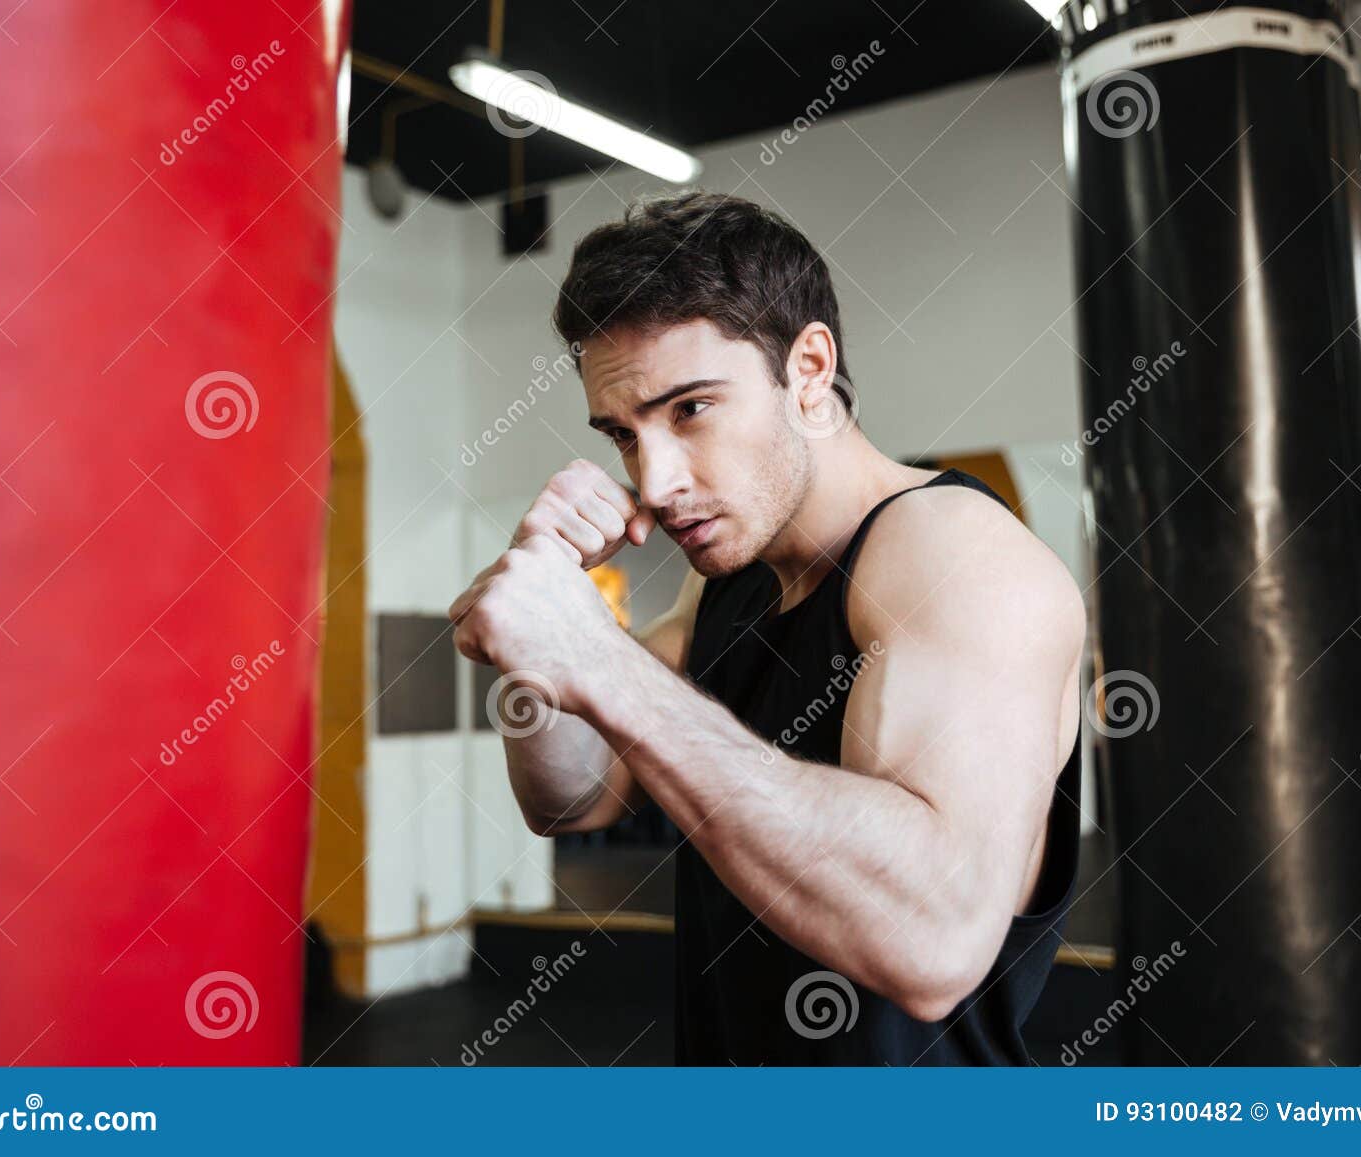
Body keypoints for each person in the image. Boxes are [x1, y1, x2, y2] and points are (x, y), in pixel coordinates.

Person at [448, 191, 1085, 1065]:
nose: (655, 481)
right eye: (623, 435)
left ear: (810, 368)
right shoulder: (728, 586)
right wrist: (539, 634)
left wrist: (600, 658)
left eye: (690, 409)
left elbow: (934, 940)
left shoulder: (954, 552)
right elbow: (570, 797)